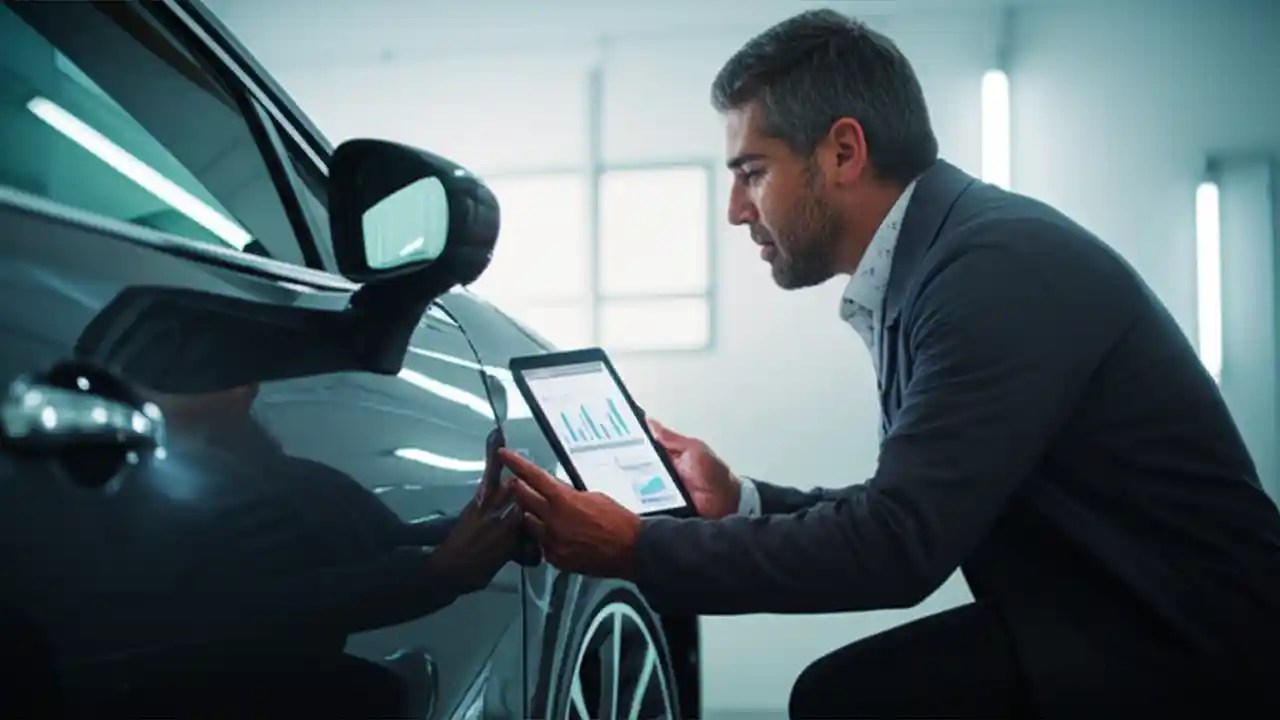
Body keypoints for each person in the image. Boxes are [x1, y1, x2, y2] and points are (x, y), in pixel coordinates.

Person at [497, 8, 1280, 717]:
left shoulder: (987, 270)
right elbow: (910, 509)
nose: (737, 210)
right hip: (1113, 621)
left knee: (849, 700)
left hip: (1194, 649)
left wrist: (638, 546)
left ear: (842, 151)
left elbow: (897, 547)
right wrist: (741, 501)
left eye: (752, 172)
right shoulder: (950, 257)